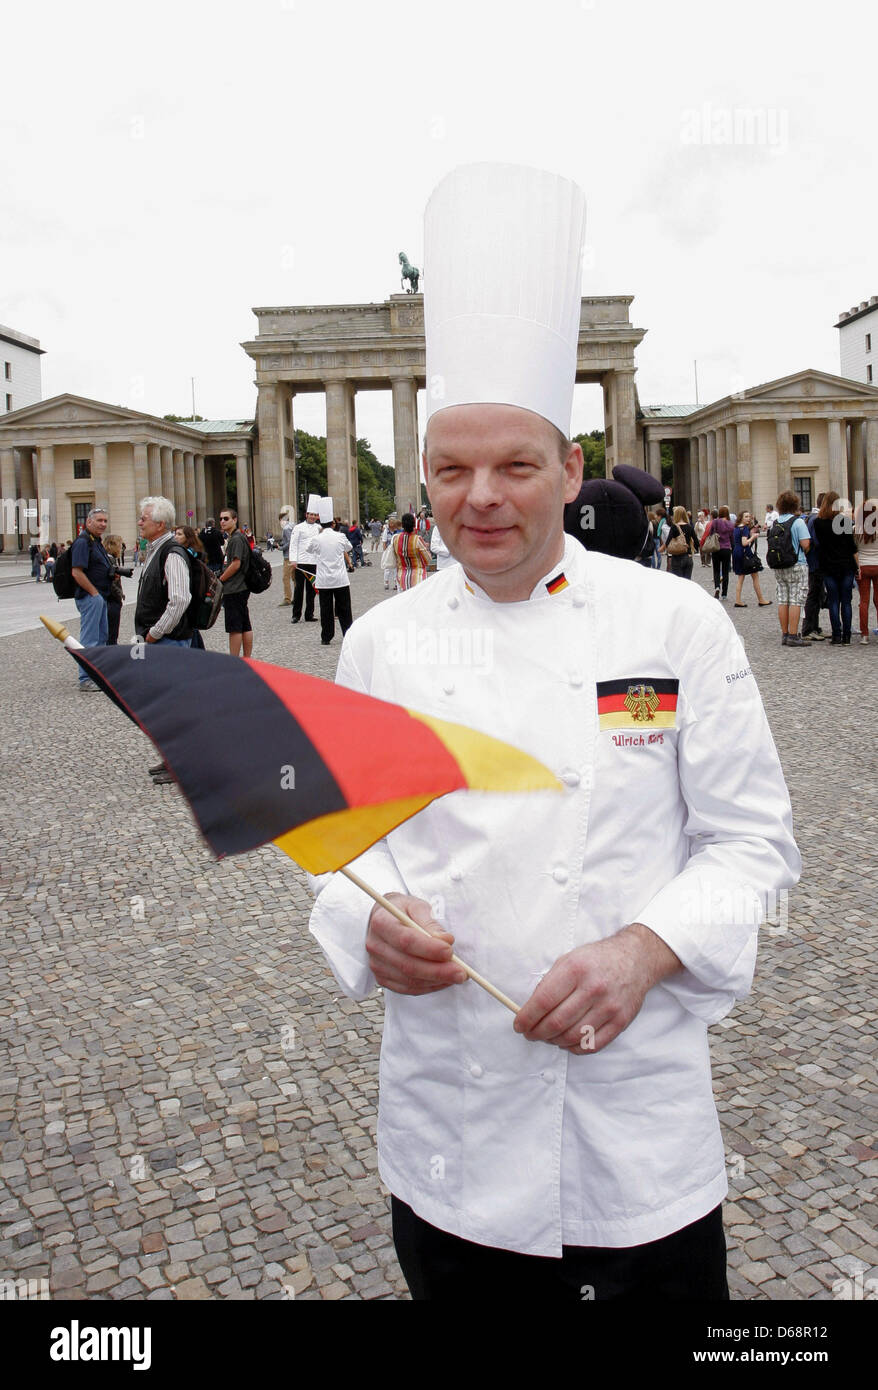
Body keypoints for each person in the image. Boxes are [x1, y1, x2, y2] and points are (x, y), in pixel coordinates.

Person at [307, 162, 799, 1302]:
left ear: (569, 470)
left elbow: (753, 848)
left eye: (515, 464)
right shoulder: (379, 644)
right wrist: (367, 921)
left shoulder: (673, 624)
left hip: (639, 1136)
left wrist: (641, 950)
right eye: (451, 468)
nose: (482, 495)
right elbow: (339, 843)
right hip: (453, 1134)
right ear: (423, 478)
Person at [135, 498, 195, 783]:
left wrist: (156, 632)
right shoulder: (157, 550)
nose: (139, 522)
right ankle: (172, 758)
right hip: (161, 641)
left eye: (144, 518)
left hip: (169, 641)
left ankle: (180, 763)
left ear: (160, 524)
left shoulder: (171, 553)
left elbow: (181, 598)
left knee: (175, 708)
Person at [70, 507, 114, 691]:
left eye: (105, 520)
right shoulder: (82, 542)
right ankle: (85, 678)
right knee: (90, 639)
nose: (103, 524)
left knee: (102, 637)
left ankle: (97, 675)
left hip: (100, 596)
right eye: (99, 520)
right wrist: (94, 593)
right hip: (91, 597)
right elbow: (76, 572)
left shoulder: (95, 541)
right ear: (88, 522)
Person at [304, 497, 353, 645]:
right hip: (340, 578)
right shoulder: (340, 536)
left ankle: (326, 636)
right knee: (344, 609)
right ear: (333, 523)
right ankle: (348, 634)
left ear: (321, 524)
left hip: (324, 579)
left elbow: (308, 549)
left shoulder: (317, 539)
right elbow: (349, 547)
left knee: (326, 610)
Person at [812, 492, 859, 645]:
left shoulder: (818, 523)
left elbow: (820, 544)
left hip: (828, 565)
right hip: (846, 565)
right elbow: (852, 547)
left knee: (833, 601)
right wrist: (858, 566)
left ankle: (836, 635)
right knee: (846, 601)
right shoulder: (844, 521)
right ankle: (847, 636)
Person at [768, 490, 811, 647]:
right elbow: (806, 544)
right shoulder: (798, 522)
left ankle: (785, 633)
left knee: (783, 599)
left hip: (779, 565)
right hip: (796, 564)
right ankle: (793, 635)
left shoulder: (776, 522)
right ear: (795, 505)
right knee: (796, 599)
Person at [219, 508, 253, 658]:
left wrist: (220, 580)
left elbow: (236, 564)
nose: (222, 521)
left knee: (235, 628)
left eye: (226, 519)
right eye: (221, 519)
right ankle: (247, 659)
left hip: (234, 587)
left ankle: (235, 660)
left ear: (235, 520)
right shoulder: (238, 537)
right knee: (245, 625)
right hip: (240, 586)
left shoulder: (236, 539)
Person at [174, 525, 208, 650]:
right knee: (192, 628)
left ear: (187, 537)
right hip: (195, 594)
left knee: (189, 628)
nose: (175, 536)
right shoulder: (196, 551)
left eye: (179, 534)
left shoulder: (187, 554)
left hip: (190, 594)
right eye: (175, 534)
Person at [288, 498, 321, 624]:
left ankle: (309, 614)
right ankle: (296, 614)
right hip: (301, 562)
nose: (312, 517)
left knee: (311, 590)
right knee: (299, 589)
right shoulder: (298, 527)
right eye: (310, 514)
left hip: (314, 562)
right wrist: (293, 560)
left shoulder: (319, 528)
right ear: (306, 515)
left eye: (314, 515)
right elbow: (293, 544)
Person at [801, 493, 827, 642]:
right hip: (815, 562)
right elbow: (816, 541)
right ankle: (808, 629)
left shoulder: (812, 518)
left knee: (817, 595)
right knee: (813, 595)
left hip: (816, 562)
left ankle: (815, 627)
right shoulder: (815, 519)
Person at [731, 512, 770, 608]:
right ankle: (761, 599)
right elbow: (744, 543)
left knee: (741, 577)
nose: (748, 518)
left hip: (736, 552)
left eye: (749, 516)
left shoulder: (736, 528)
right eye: (746, 517)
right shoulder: (744, 528)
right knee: (755, 576)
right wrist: (753, 537)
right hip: (745, 553)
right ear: (741, 518)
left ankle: (738, 600)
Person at [854, 498, 878, 644]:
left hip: (863, 566)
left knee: (864, 601)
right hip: (877, 565)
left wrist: (857, 567)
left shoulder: (856, 531)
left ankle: (864, 634)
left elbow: (854, 551)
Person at [392, 512, 432, 589]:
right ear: (414, 524)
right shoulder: (417, 539)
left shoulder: (396, 539)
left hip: (402, 577)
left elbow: (395, 557)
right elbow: (427, 559)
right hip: (418, 577)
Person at [702, 506, 735, 599]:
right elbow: (732, 538)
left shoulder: (715, 522)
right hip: (726, 549)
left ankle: (717, 587)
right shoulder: (730, 524)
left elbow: (711, 533)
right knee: (725, 572)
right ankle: (724, 593)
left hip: (716, 548)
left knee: (716, 570)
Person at [102, 534, 128, 645]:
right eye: (120, 544)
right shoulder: (110, 559)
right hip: (112, 600)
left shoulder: (106, 557)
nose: (121, 548)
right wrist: (119, 594)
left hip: (110, 600)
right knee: (112, 635)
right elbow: (110, 582)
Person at [660, 505, 697, 580]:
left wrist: (662, 548)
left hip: (677, 558)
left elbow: (668, 541)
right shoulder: (689, 526)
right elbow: (696, 542)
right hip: (688, 558)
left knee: (679, 582)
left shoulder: (674, 527)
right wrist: (691, 552)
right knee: (687, 582)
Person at [278, 508, 295, 606]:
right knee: (294, 578)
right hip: (294, 555)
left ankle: (287, 598)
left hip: (288, 556)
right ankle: (296, 597)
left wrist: (281, 547)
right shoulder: (293, 526)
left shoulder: (286, 528)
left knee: (286, 578)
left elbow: (289, 541)